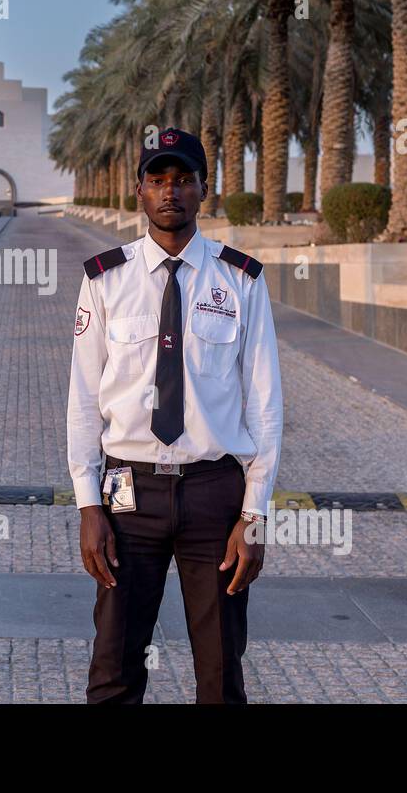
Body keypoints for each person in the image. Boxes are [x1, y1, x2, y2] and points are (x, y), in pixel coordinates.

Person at [66, 126, 283, 704]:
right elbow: (84, 401)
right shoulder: (104, 279)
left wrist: (253, 518)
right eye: (158, 180)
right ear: (139, 191)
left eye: (183, 180)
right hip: (126, 498)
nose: (170, 192)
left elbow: (265, 406)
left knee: (220, 674)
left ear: (202, 191)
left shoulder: (240, 280)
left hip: (215, 496)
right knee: (112, 670)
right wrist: (89, 506)